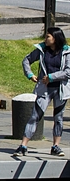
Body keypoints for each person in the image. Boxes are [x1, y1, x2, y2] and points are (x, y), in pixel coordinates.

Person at [15, 27, 70, 157]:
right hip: (45, 90)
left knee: (58, 118)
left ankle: (55, 146)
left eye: (48, 37)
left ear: (55, 38)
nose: (45, 39)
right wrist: (29, 74)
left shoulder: (66, 52)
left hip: (60, 90)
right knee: (35, 116)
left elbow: (68, 72)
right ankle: (23, 145)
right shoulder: (42, 51)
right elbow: (26, 60)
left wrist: (51, 77)